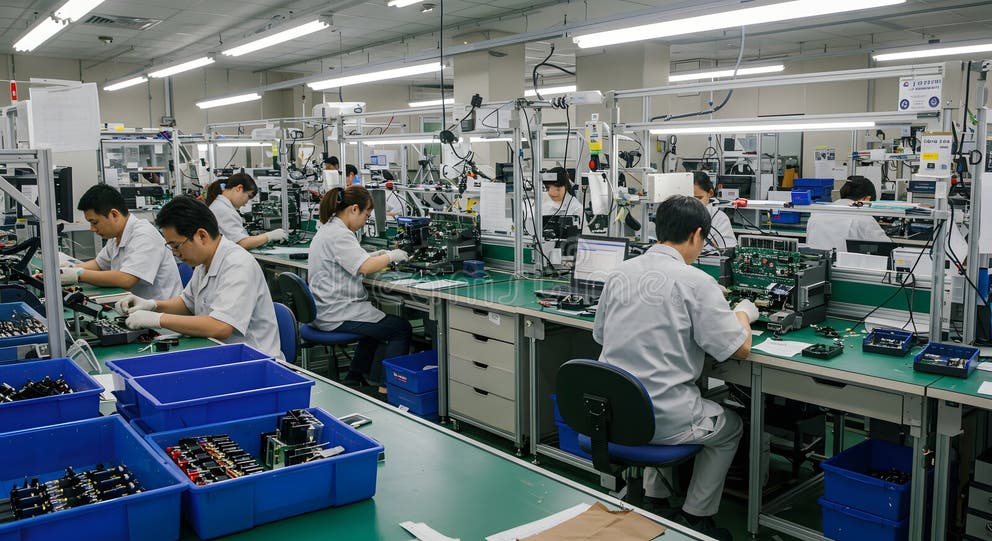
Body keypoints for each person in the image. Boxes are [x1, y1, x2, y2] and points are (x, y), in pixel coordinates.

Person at [592, 195, 757, 541]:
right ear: (697, 235)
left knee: (651, 394)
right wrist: (743, 312)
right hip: (665, 420)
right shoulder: (696, 282)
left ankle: (655, 498)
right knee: (732, 426)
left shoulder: (619, 273)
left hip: (614, 413)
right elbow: (740, 348)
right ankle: (696, 516)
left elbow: (600, 335)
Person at [116, 196, 284, 361]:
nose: (175, 254)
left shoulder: (238, 264)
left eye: (176, 246)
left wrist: (158, 319)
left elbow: (221, 327)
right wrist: (152, 305)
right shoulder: (204, 262)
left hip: (254, 362)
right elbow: (186, 304)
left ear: (202, 236)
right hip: (220, 353)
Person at [308, 185, 411, 386]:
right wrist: (391, 255)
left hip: (325, 310)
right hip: (336, 313)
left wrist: (376, 256)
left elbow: (353, 259)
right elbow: (364, 267)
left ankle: (355, 378)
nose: (366, 221)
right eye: (366, 215)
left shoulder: (329, 228)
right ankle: (387, 388)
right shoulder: (340, 234)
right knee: (400, 328)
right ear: (354, 209)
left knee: (374, 327)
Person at [59, 185, 183, 300]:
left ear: (114, 214)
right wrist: (66, 270)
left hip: (160, 316)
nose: (92, 229)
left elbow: (126, 279)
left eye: (95, 222)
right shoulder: (116, 237)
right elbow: (98, 264)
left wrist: (78, 274)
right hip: (137, 309)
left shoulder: (144, 235)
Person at [805, 175, 890, 252]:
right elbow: (886, 247)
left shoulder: (816, 213)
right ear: (867, 199)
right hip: (844, 266)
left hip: (814, 265)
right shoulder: (863, 218)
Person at [205, 172, 288, 250]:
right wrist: (269, 236)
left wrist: (255, 237)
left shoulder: (219, 205)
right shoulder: (224, 210)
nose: (245, 203)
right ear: (239, 188)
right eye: (248, 196)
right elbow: (241, 243)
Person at [692, 171, 737, 251]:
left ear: (710, 193)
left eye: (698, 198)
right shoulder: (678, 215)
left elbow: (728, 249)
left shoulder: (719, 218)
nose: (693, 203)